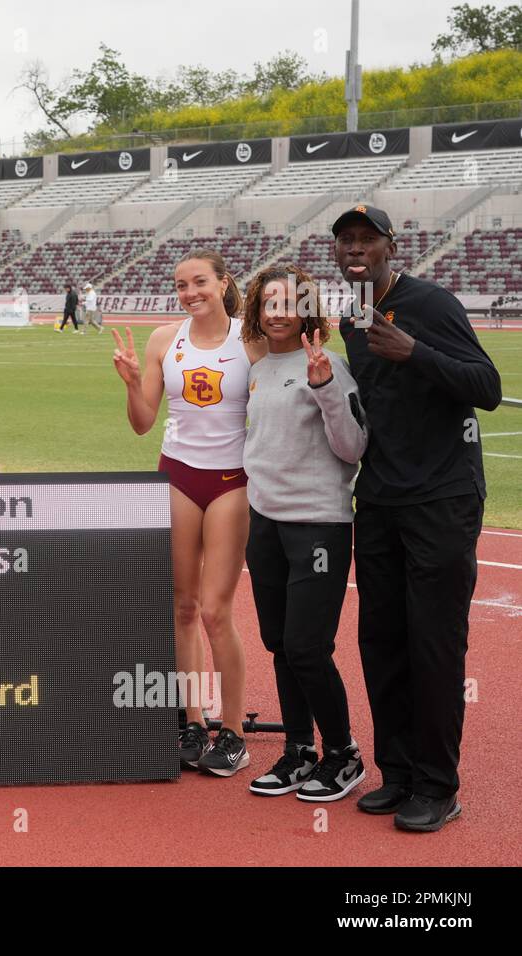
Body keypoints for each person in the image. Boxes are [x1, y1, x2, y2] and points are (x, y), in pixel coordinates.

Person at [332, 204, 502, 831]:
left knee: (433, 644)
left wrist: (415, 351)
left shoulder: (430, 305)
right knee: (381, 642)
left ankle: (437, 785)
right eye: (346, 240)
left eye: (367, 239)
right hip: (377, 499)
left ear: (389, 247)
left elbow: (485, 385)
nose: (356, 249)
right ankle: (397, 773)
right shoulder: (353, 318)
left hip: (441, 499)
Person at [110, 249, 265, 775]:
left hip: (230, 482)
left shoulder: (252, 339)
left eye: (199, 282)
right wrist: (133, 383)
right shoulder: (162, 340)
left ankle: (235, 732)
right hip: (177, 474)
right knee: (181, 607)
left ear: (223, 283)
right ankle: (192, 720)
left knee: (217, 612)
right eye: (180, 285)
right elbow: (141, 422)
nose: (190, 292)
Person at [240, 264, 368, 801]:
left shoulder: (329, 365)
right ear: (258, 311)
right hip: (265, 523)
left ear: (306, 310)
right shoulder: (261, 368)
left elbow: (354, 447)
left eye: (289, 302)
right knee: (278, 645)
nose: (279, 311)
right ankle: (299, 750)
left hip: (317, 523)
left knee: (307, 647)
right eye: (269, 303)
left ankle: (343, 754)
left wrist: (323, 390)